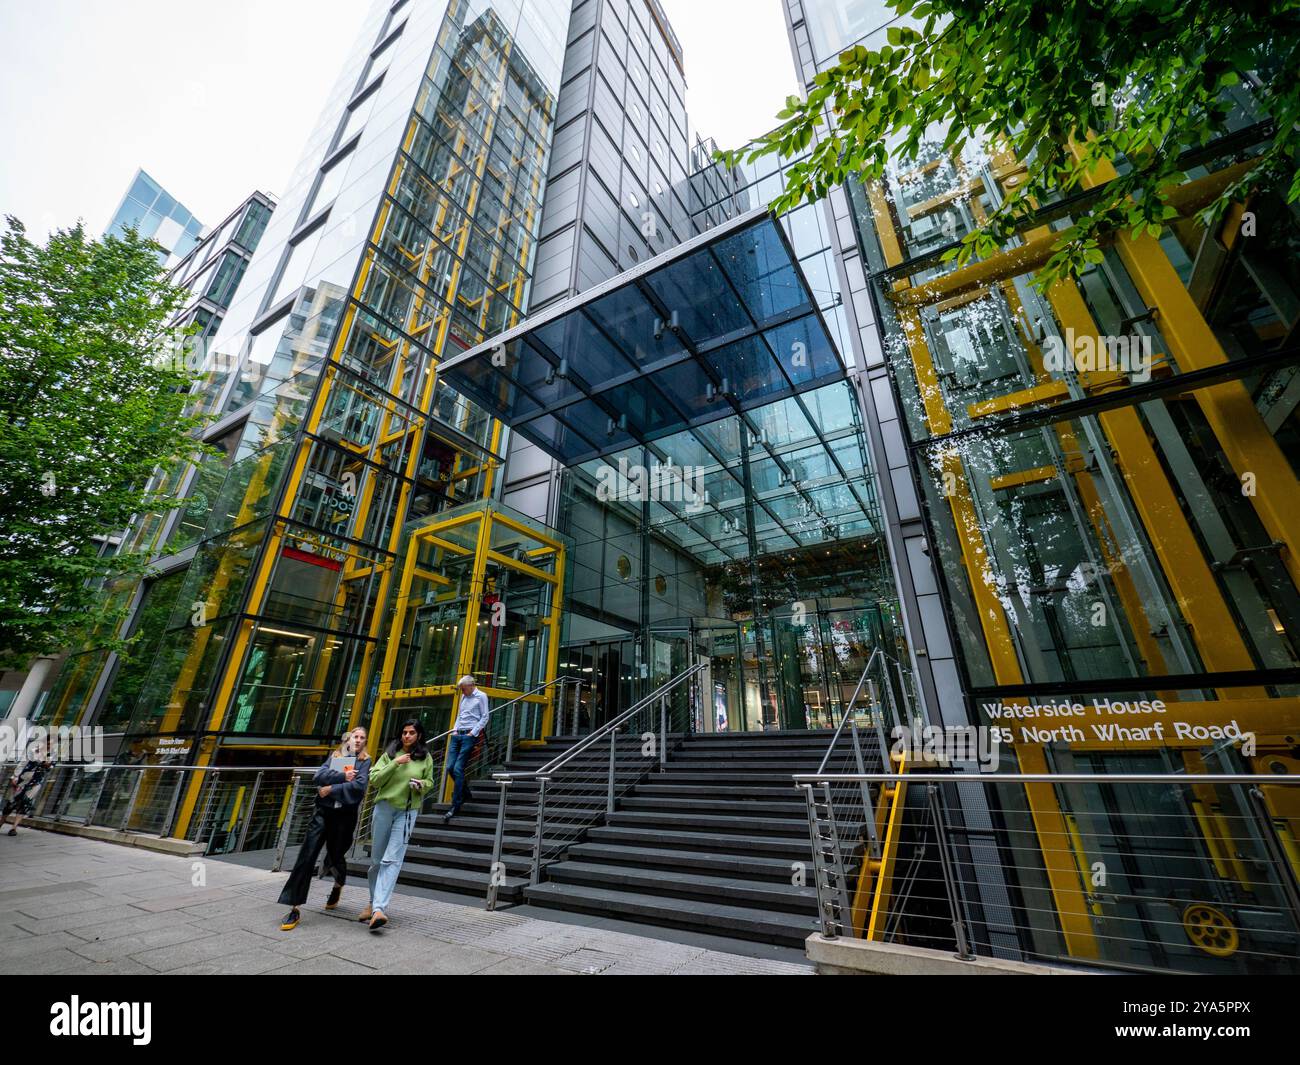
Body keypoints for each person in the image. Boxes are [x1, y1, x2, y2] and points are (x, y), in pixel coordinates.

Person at [279, 726, 371, 931]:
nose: (358, 740)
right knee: (307, 855)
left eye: (362, 737)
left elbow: (359, 786)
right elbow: (318, 777)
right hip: (323, 812)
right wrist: (341, 778)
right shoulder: (336, 756)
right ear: (348, 739)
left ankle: (338, 884)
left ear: (365, 742)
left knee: (336, 855)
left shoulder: (365, 761)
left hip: (345, 816)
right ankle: (294, 906)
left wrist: (331, 788)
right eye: (355, 736)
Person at [360, 719, 434, 932]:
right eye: (404, 732)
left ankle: (379, 909)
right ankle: (373, 903)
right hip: (384, 808)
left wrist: (421, 785)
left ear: (419, 735)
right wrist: (395, 763)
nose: (407, 736)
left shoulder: (425, 757)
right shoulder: (390, 754)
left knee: (391, 859)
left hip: (407, 811)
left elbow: (430, 782)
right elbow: (375, 780)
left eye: (411, 732)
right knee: (376, 860)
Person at [442, 675, 489, 823]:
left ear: (471, 685)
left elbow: (485, 716)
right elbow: (460, 715)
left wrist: (472, 733)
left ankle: (455, 805)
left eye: (463, 689)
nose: (462, 692)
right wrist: (455, 730)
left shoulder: (481, 696)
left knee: (458, 769)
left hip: (469, 735)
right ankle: (466, 793)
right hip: (457, 735)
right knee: (450, 767)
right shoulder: (464, 697)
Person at [2, 744, 53, 836]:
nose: (49, 746)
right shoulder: (33, 751)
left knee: (24, 803)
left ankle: (14, 828)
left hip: (35, 783)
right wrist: (15, 776)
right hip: (22, 780)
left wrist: (46, 762)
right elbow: (22, 764)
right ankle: (1, 822)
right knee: (11, 802)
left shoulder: (51, 755)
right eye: (48, 743)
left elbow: (49, 768)